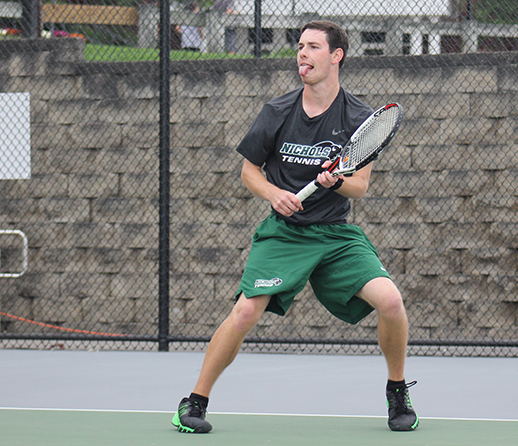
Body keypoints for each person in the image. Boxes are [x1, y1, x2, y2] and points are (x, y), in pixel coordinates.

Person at [171, 20, 419, 434]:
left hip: (336, 237)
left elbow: (359, 187)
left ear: (335, 56)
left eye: (312, 47)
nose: (302, 54)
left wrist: (335, 180)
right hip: (285, 233)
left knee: (391, 302)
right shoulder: (278, 111)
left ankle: (397, 392)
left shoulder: (360, 118)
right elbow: (249, 171)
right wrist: (272, 194)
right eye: (299, 46)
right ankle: (193, 402)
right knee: (246, 309)